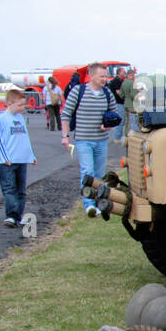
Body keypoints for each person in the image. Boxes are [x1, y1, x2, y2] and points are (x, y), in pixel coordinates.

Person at [61, 63, 121, 217]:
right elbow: (66, 114)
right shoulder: (78, 91)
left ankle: (98, 202)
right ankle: (89, 205)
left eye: (105, 76)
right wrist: (65, 136)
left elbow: (115, 116)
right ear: (92, 76)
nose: (104, 79)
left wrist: (108, 126)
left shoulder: (107, 93)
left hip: (101, 140)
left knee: (99, 174)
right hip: (83, 139)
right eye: (101, 76)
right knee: (88, 171)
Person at [0, 88, 37, 228]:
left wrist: (31, 155)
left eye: (23, 105)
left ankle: (18, 216)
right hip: (7, 161)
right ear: (9, 103)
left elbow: (25, 138)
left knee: (21, 190)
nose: (22, 108)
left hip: (21, 159)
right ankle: (11, 216)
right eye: (20, 105)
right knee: (10, 188)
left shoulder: (20, 118)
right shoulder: (1, 118)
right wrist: (4, 157)